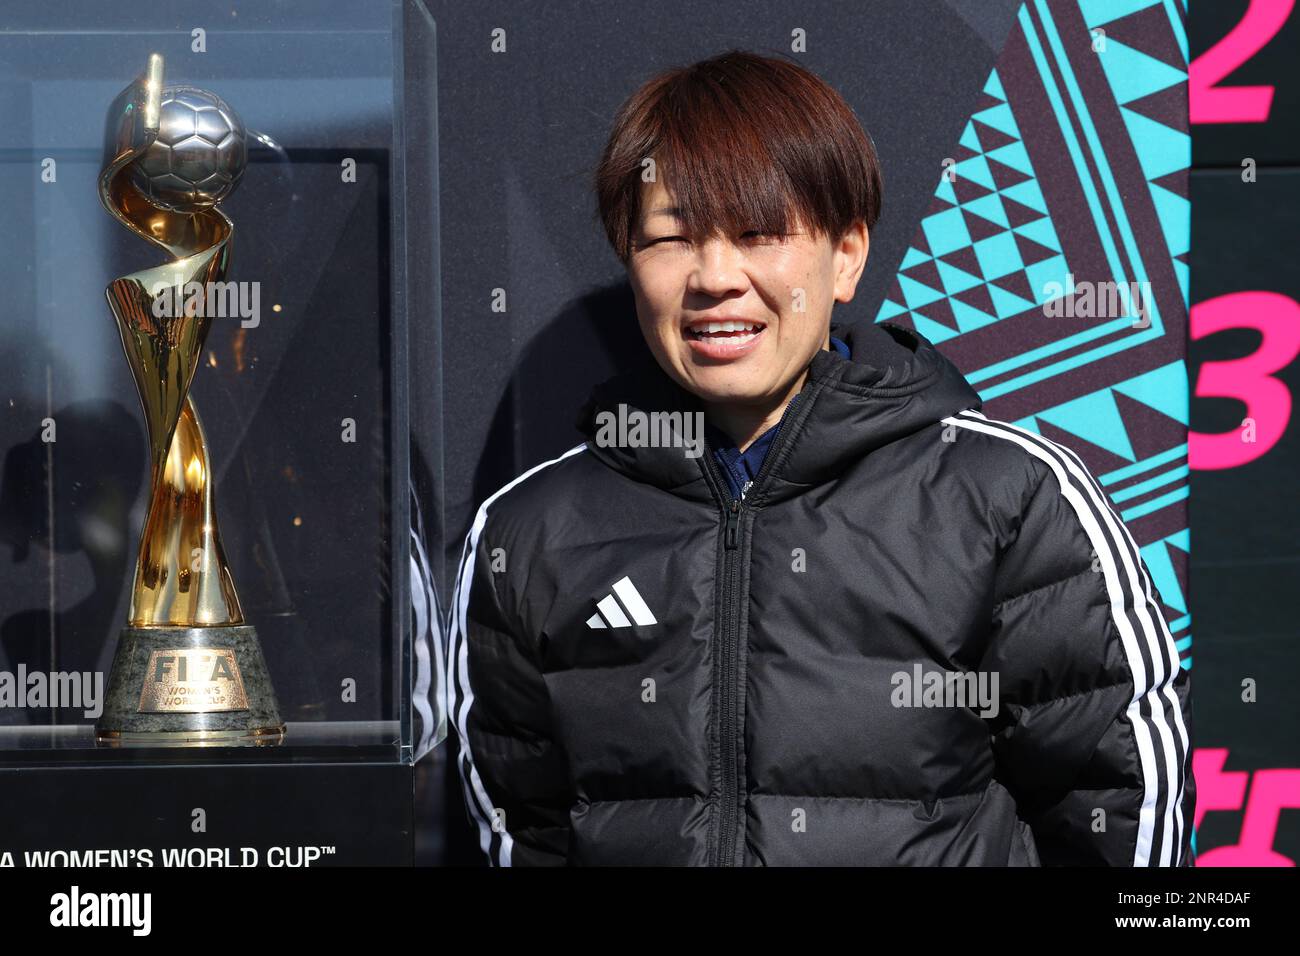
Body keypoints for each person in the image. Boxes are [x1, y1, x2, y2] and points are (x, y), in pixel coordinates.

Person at [446, 49, 1194, 866]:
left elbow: (1124, 814)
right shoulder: (531, 531)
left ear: (846, 256)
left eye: (759, 233)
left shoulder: (1007, 496)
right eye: (671, 239)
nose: (715, 278)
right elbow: (525, 833)